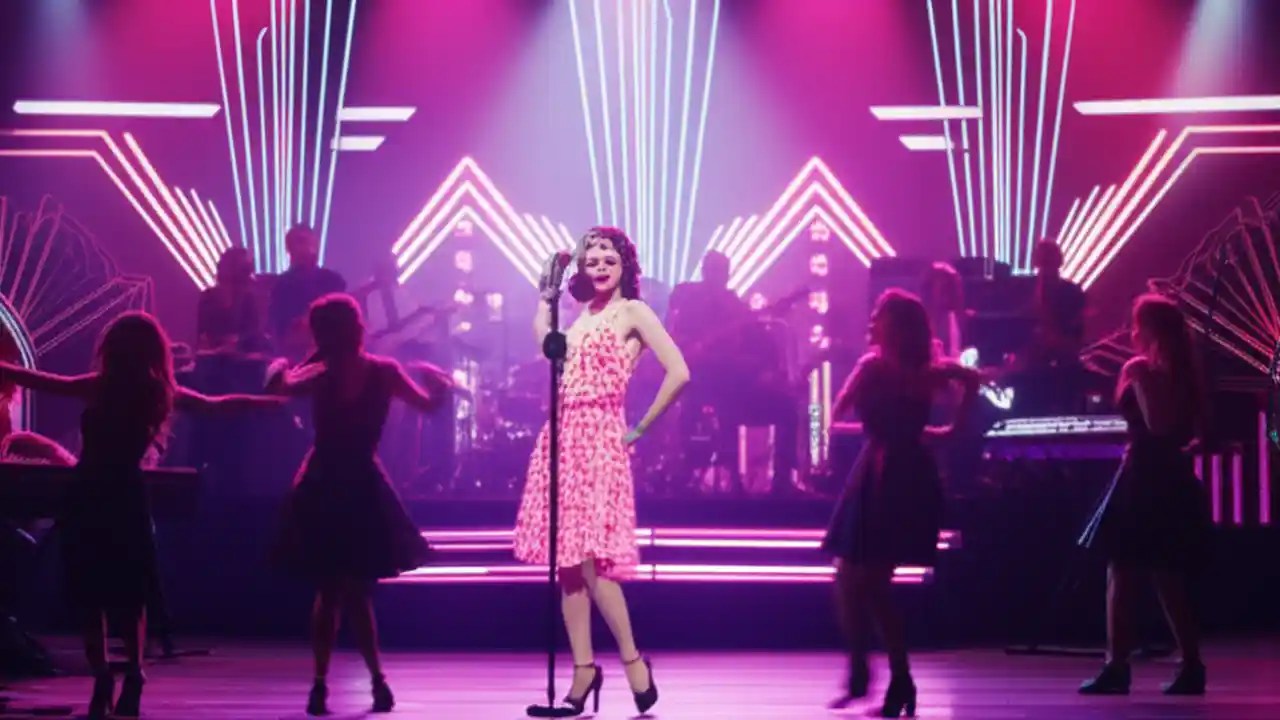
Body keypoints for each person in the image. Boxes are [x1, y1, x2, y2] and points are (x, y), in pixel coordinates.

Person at [0, 312, 286, 719]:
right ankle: (132, 672)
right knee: (129, 590)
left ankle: (104, 675)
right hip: (125, 494)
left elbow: (43, 382)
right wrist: (267, 403)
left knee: (91, 590)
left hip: (90, 492)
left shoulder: (103, 387)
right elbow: (215, 406)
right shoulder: (156, 391)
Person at [513, 227, 689, 715]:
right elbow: (546, 348)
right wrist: (545, 296)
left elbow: (680, 371)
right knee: (568, 566)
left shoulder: (633, 311)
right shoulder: (577, 317)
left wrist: (638, 431)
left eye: (608, 256)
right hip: (562, 435)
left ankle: (633, 661)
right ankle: (583, 672)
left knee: (593, 562)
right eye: (591, 258)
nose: (600, 263)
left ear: (623, 262)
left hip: (601, 435)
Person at [269, 293, 451, 716]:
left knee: (330, 591)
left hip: (324, 483)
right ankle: (376, 682)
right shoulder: (382, 372)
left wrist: (278, 367)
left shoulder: (320, 372)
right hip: (360, 485)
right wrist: (440, 383)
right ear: (357, 327)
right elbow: (429, 404)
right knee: (356, 592)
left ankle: (321, 685)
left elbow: (280, 388)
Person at [821, 290, 979, 717]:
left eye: (878, 317)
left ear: (895, 326)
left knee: (867, 582)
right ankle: (873, 673)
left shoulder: (891, 369)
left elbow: (840, 414)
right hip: (884, 471)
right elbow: (843, 414)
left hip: (893, 476)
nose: (871, 322)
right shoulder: (906, 370)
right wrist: (915, 432)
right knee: (851, 578)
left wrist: (906, 431)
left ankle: (888, 677)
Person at [1077, 294, 1209, 695]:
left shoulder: (1146, 371)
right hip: (1163, 475)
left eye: (1137, 324)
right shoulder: (1185, 373)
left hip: (1148, 479)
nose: (1132, 332)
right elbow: (1195, 432)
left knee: (1124, 571)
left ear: (1150, 330)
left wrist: (1138, 377)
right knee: (1165, 576)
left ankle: (1118, 668)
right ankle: (1190, 666)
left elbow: (1158, 424)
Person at [269, 224, 346, 361]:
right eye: (300, 241)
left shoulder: (333, 280)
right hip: (296, 351)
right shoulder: (281, 285)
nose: (307, 247)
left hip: (331, 347)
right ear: (289, 248)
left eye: (310, 242)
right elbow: (279, 327)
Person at [196, 247, 265, 353]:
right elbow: (202, 334)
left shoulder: (249, 298)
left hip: (243, 358)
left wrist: (238, 341)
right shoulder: (208, 297)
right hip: (215, 357)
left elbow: (255, 333)